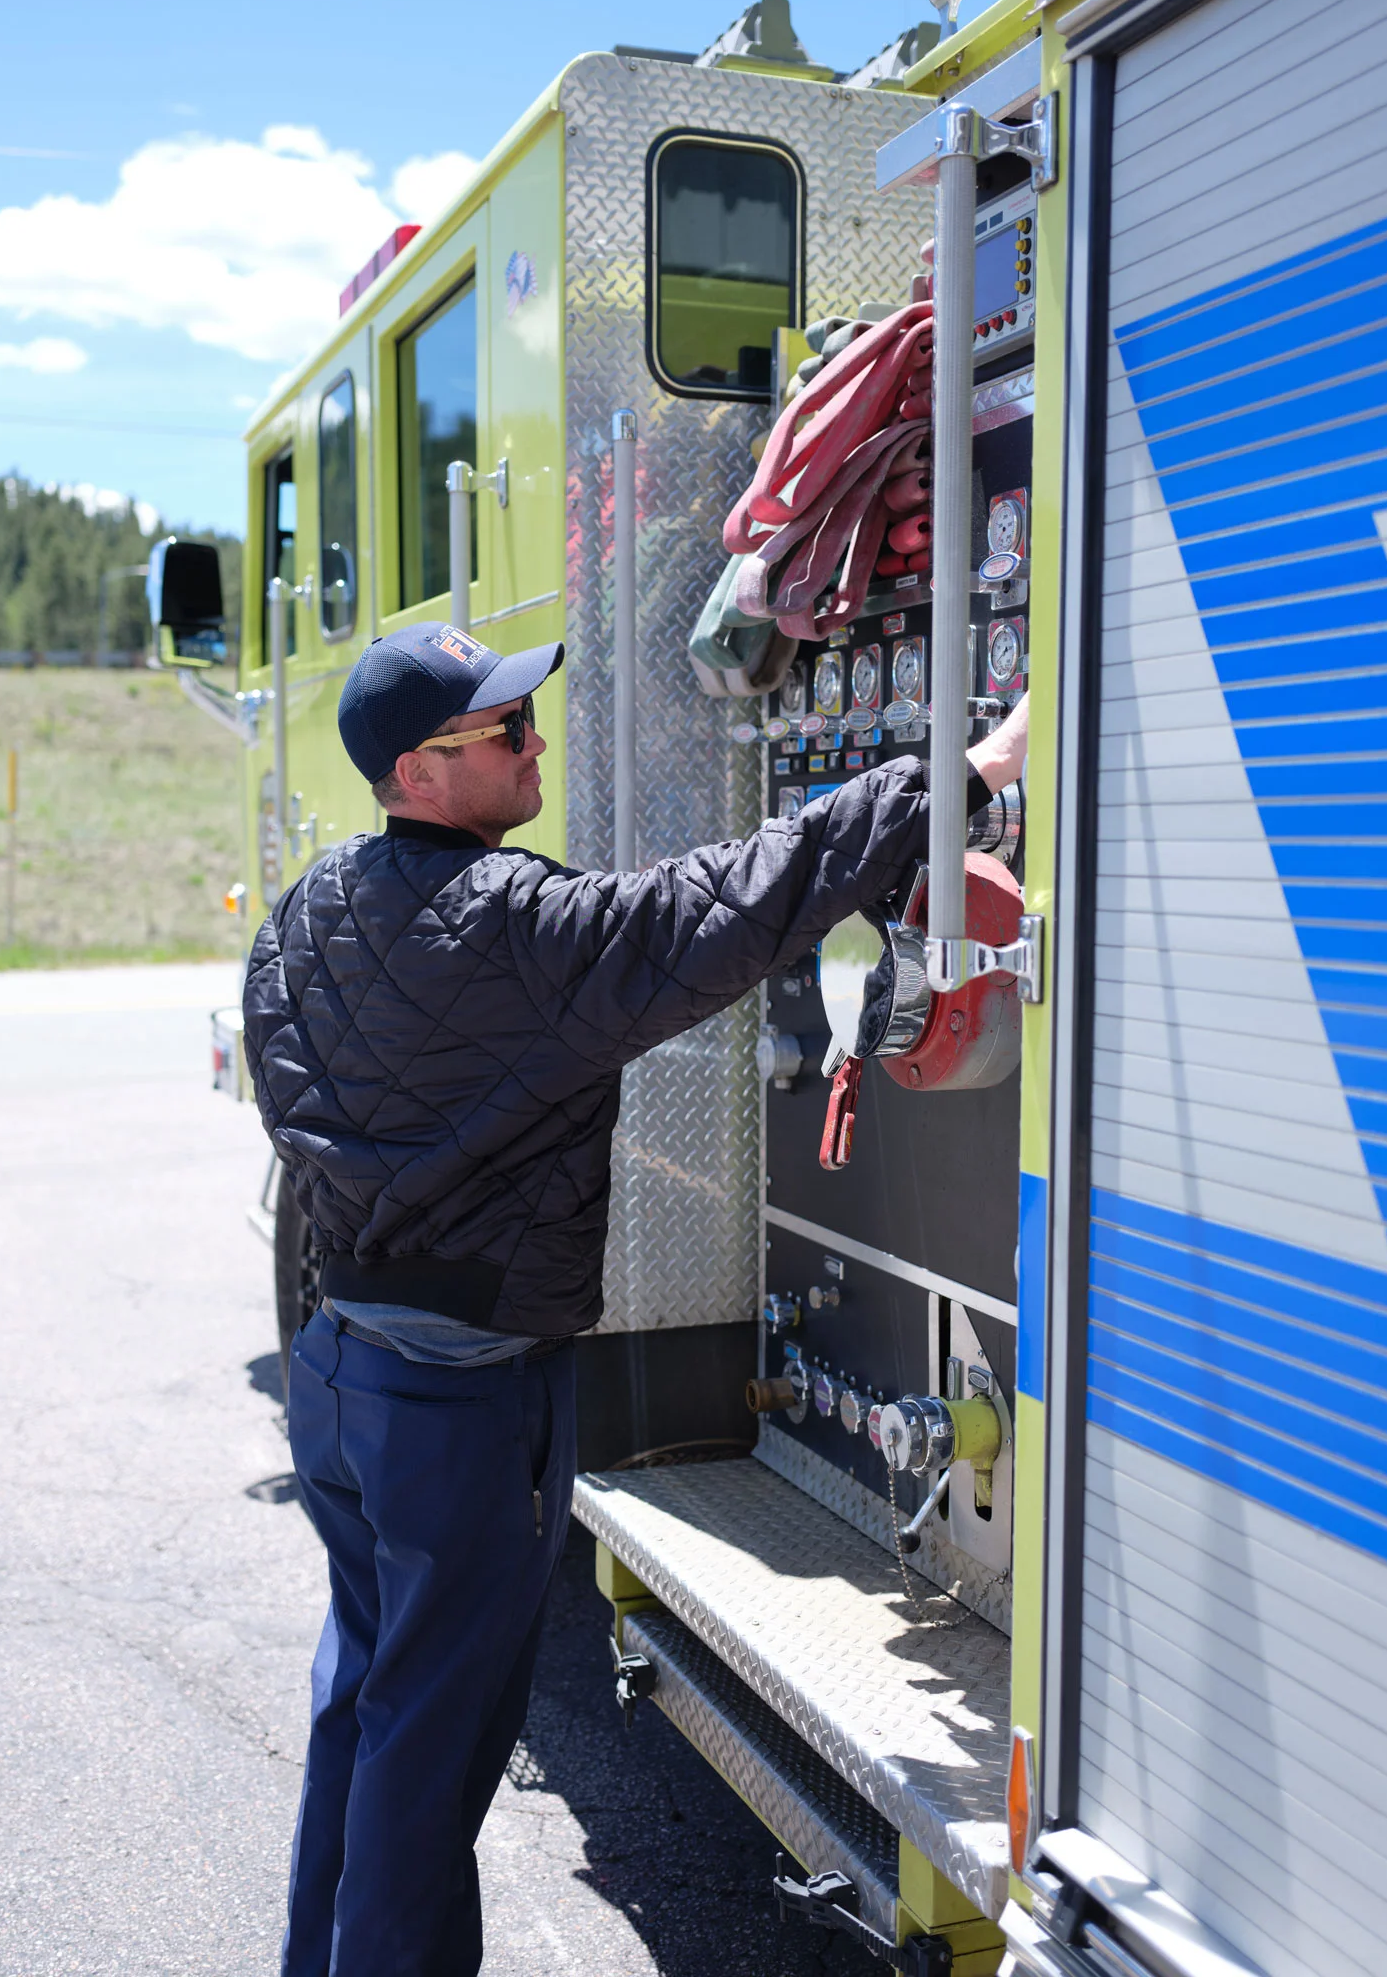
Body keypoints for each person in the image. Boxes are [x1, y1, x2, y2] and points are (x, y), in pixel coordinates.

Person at [243, 620, 1029, 1977]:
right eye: (506, 732)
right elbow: (733, 899)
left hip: (339, 1375)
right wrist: (954, 781)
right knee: (428, 1767)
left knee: (364, 1710)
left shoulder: (303, 916)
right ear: (418, 774)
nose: (536, 742)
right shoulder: (517, 935)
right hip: (461, 1406)